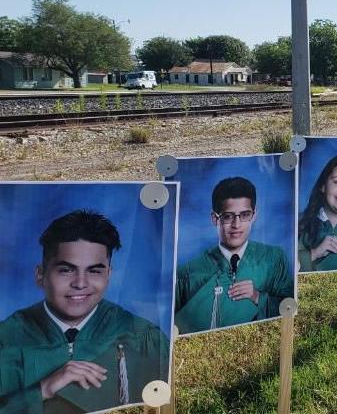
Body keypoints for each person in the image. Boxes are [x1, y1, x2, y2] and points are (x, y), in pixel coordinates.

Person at [0, 210, 170, 414]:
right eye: (66, 270)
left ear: (108, 275)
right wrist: (43, 390)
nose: (80, 284)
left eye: (94, 271)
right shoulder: (7, 337)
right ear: (41, 274)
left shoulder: (143, 336)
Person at [174, 177, 294, 334]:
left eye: (244, 215)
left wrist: (257, 296)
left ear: (254, 215)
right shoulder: (190, 272)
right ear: (215, 219)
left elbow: (289, 306)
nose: (236, 225)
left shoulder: (273, 258)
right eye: (228, 216)